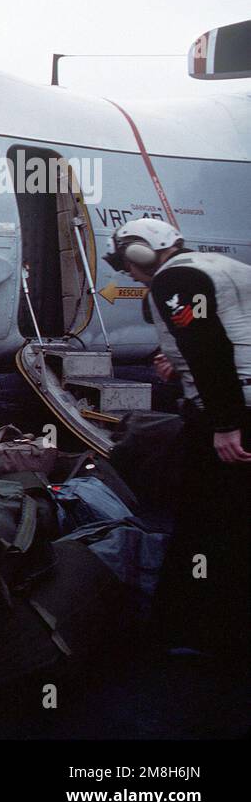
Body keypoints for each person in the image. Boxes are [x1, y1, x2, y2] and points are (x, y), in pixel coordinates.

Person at [105, 218, 251, 668]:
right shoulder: (222, 266)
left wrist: (224, 425)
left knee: (206, 523)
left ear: (142, 253)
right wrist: (177, 361)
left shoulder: (176, 279)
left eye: (128, 263)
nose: (128, 274)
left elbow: (210, 351)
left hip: (230, 411)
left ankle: (200, 634)